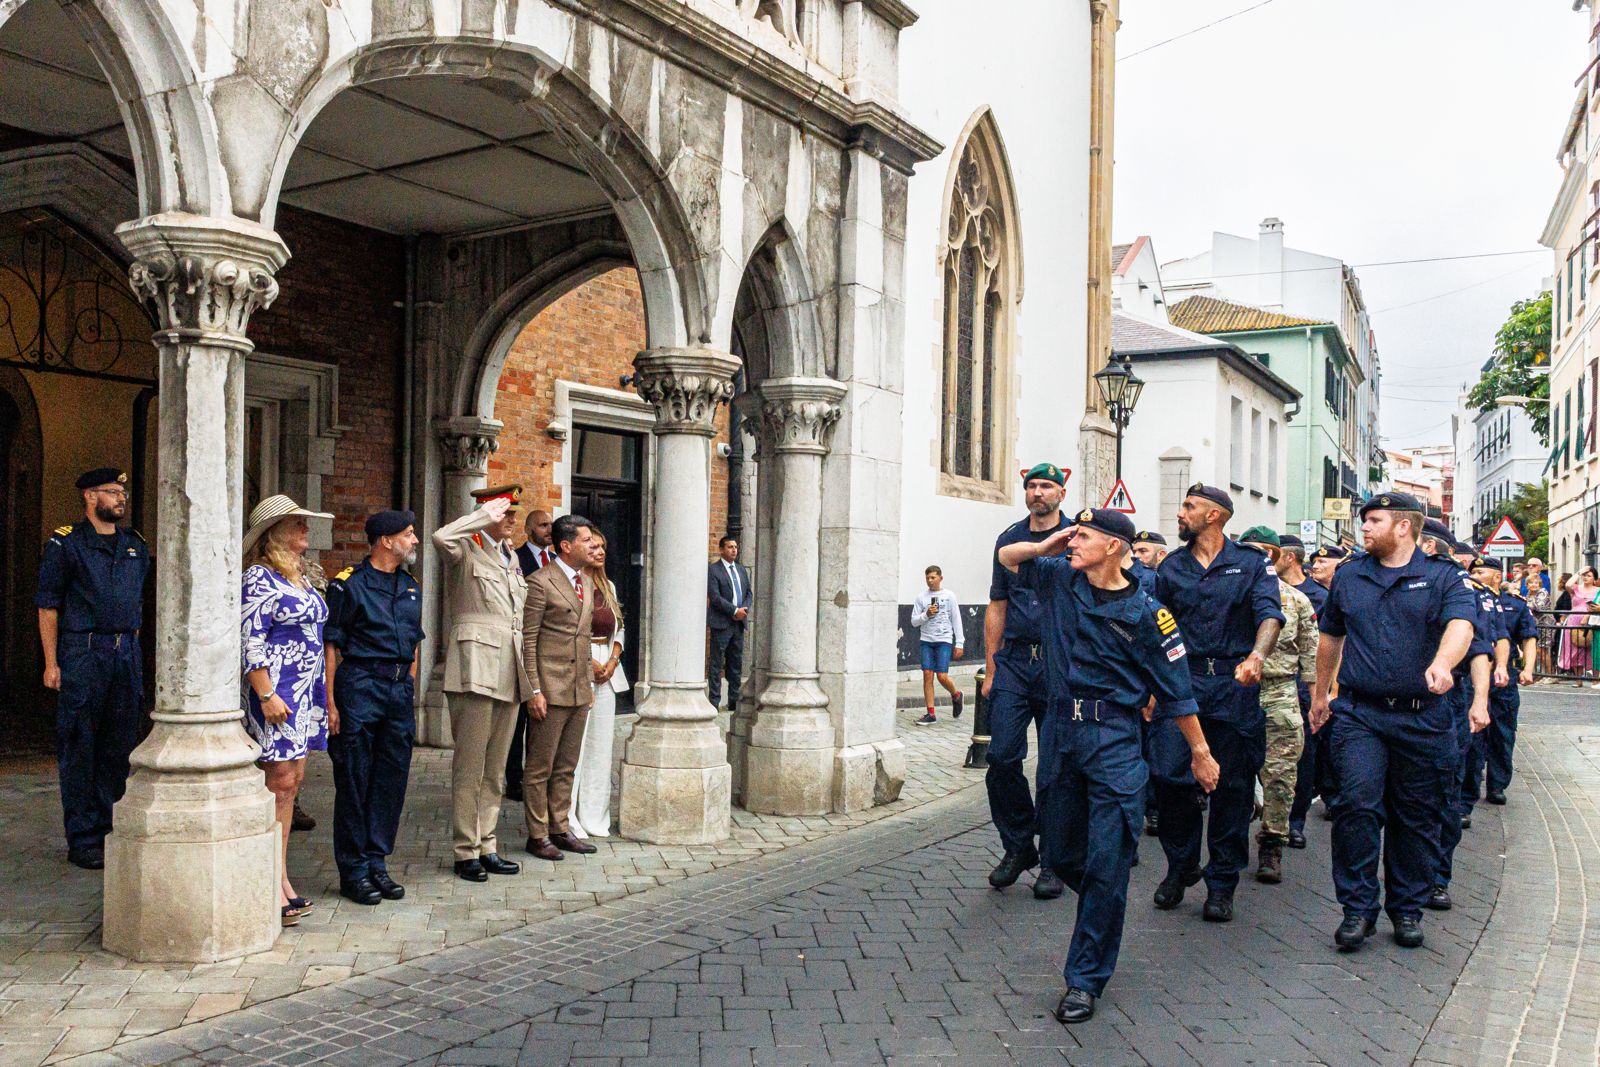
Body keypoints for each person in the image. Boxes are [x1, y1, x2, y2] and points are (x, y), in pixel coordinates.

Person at [999, 507, 1219, 1025]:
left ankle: (1085, 979)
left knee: (1106, 862)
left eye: (1084, 535)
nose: (1073, 541)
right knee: (1058, 851)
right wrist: (1049, 544)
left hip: (1114, 739)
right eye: (1072, 534)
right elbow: (1007, 557)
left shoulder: (1148, 613)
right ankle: (1104, 899)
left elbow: (1177, 691)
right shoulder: (1057, 578)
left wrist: (1200, 752)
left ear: (1115, 547)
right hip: (1061, 735)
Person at [1309, 492, 1477, 952]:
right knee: (1357, 807)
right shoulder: (1350, 576)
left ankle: (1405, 908)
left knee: (1415, 815)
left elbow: (1461, 626)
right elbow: (1330, 636)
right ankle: (1357, 909)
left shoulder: (1444, 577)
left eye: (1374, 520)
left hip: (1423, 718)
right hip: (1360, 714)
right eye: (1365, 519)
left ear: (1404, 526)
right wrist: (1321, 693)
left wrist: (1443, 664)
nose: (1364, 526)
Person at [1149, 485, 1283, 923]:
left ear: (1214, 516)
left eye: (1188, 507)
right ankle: (1181, 864)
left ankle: (1222, 882)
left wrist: (1257, 655)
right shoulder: (1172, 567)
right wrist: (1152, 684)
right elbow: (1156, 629)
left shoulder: (1250, 564)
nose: (1180, 513)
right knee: (1170, 778)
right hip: (1181, 684)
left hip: (1232, 685)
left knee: (1233, 788)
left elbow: (1269, 614)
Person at [36, 468, 152, 870]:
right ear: (89, 497)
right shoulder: (66, 544)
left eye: (122, 491)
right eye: (112, 492)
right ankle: (84, 837)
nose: (121, 498)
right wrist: (52, 663)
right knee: (80, 743)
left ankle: (109, 827)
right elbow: (48, 605)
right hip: (83, 653)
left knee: (118, 746)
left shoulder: (135, 545)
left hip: (125, 653)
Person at [240, 495, 334, 925]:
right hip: (277, 694)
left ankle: (280, 877)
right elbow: (251, 637)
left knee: (293, 782)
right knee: (277, 781)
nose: (305, 530)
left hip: (305, 691)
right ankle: (267, 881)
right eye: (297, 524)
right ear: (275, 531)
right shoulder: (259, 577)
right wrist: (264, 693)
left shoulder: (300, 575)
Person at [325, 510, 425, 905]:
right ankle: (353, 870)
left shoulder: (410, 585)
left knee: (390, 779)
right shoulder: (349, 585)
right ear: (386, 540)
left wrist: (410, 683)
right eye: (409, 534)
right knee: (354, 779)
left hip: (398, 692)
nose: (415, 540)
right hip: (360, 686)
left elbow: (415, 638)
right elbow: (332, 645)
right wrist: (330, 701)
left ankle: (376, 861)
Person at [432, 486, 530, 883]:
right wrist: (481, 517)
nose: (510, 520)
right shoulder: (466, 548)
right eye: (504, 513)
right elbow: (441, 537)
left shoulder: (511, 558)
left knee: (495, 768)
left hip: (509, 669)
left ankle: (486, 844)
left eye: (511, 513)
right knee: (470, 766)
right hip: (474, 668)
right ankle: (464, 849)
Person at [983, 463, 1069, 894]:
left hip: (1059, 666)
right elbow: (997, 604)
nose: (1038, 493)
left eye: (1046, 486)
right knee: (1000, 759)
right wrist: (992, 666)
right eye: (1032, 486)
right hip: (1015, 663)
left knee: (1054, 769)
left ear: (1061, 494)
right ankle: (1019, 845)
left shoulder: (1077, 539)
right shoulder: (1009, 539)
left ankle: (1054, 860)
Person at [1418, 524, 1494, 914]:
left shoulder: (1458, 586)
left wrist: (1480, 701)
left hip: (1447, 701)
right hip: (1393, 703)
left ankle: (1435, 878)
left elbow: (1479, 649)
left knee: (1443, 792)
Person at [1237, 527, 1317, 885]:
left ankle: (1272, 842)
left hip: (1280, 691)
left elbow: (1311, 652)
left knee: (1281, 773)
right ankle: (1232, 836)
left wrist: (1319, 699)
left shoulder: (1296, 600)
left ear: (1272, 556)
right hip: (1235, 692)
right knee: (1231, 769)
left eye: (1260, 551)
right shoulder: (1230, 594)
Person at [522, 514, 599, 862]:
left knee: (567, 765)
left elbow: (582, 639)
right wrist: (533, 690)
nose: (592, 546)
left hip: (579, 690)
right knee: (540, 766)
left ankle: (560, 827)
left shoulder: (587, 582)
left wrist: (588, 685)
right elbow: (528, 639)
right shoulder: (540, 582)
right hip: (549, 690)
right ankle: (537, 835)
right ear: (566, 546)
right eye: (586, 540)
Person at [569, 528, 628, 838]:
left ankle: (594, 815)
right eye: (593, 544)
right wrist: (590, 664)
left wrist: (612, 661)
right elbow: (567, 630)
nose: (600, 550)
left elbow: (619, 628)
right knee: (575, 746)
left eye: (603, 545)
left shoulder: (610, 587)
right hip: (579, 660)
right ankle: (569, 817)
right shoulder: (574, 584)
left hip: (609, 665)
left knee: (601, 745)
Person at [1476, 556, 1538, 806]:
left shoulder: (1515, 605)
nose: (1475, 576)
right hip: (1476, 674)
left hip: (1504, 677)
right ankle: (1470, 785)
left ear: (1497, 576)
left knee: (1503, 733)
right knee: (1475, 734)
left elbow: (1529, 638)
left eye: (1481, 573)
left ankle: (1497, 784)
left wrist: (1528, 669)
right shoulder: (1471, 599)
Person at [507, 508, 555, 802]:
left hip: (550, 646)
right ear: (529, 530)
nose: (549, 529)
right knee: (518, 721)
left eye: (551, 524)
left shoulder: (559, 561)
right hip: (523, 641)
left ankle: (539, 778)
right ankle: (514, 780)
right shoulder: (517, 559)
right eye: (543, 525)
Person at [911, 565, 965, 726]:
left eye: (933, 577)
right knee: (928, 674)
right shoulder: (921, 597)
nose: (930, 580)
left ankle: (956, 695)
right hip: (926, 640)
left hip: (944, 640)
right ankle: (931, 713)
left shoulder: (949, 596)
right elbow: (914, 621)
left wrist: (960, 642)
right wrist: (926, 615)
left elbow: (956, 619)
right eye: (927, 578)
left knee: (941, 676)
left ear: (940, 578)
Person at [707, 536, 752, 711]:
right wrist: (734, 611)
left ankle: (734, 701)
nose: (734, 550)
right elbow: (715, 596)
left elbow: (748, 592)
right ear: (721, 550)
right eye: (730, 547)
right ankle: (714, 702)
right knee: (717, 664)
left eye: (735, 547)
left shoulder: (741, 570)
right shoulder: (714, 570)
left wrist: (744, 610)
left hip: (739, 624)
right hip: (722, 623)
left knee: (736, 663)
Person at [1557, 568, 1597, 679]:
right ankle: (1578, 679)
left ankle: (1595, 679)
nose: (1585, 577)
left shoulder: (1598, 590)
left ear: (1594, 578)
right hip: (1574, 620)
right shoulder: (1576, 588)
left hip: (1592, 621)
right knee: (1573, 650)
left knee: (1591, 650)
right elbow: (1568, 584)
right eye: (1584, 575)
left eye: (1589, 575)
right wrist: (1579, 572)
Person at [1127, 530, 1164, 596]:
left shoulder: (1171, 576)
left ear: (1161, 555)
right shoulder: (1129, 574)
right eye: (1134, 552)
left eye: (1142, 551)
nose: (1136, 556)